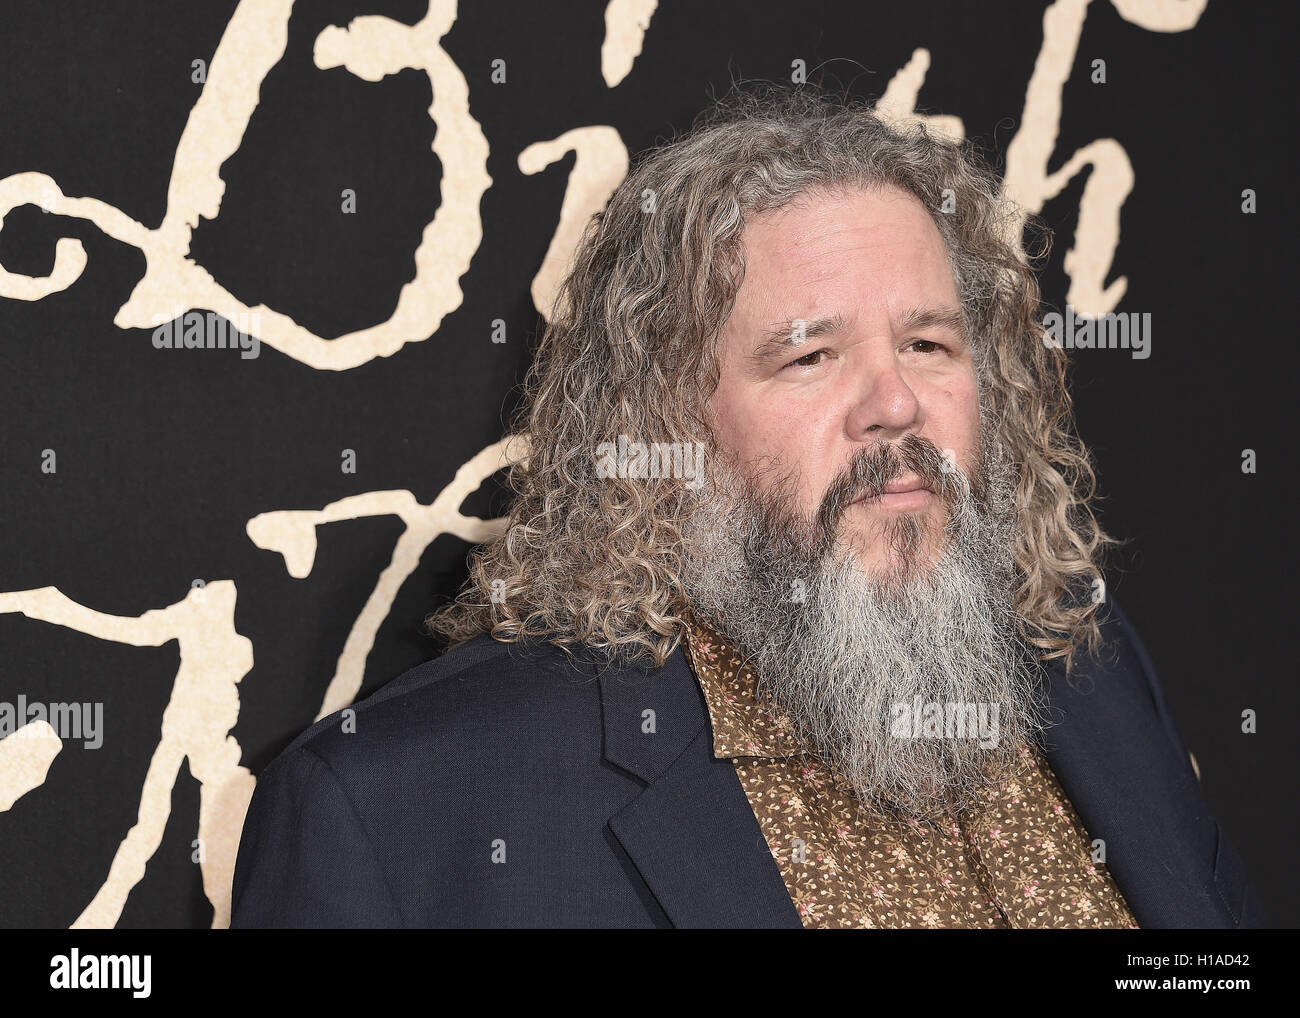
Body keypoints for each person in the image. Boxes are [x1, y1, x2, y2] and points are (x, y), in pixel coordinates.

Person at [229, 84, 1264, 929]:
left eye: (929, 344)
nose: (895, 403)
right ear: (665, 427)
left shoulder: (1084, 656)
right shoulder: (403, 807)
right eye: (809, 355)